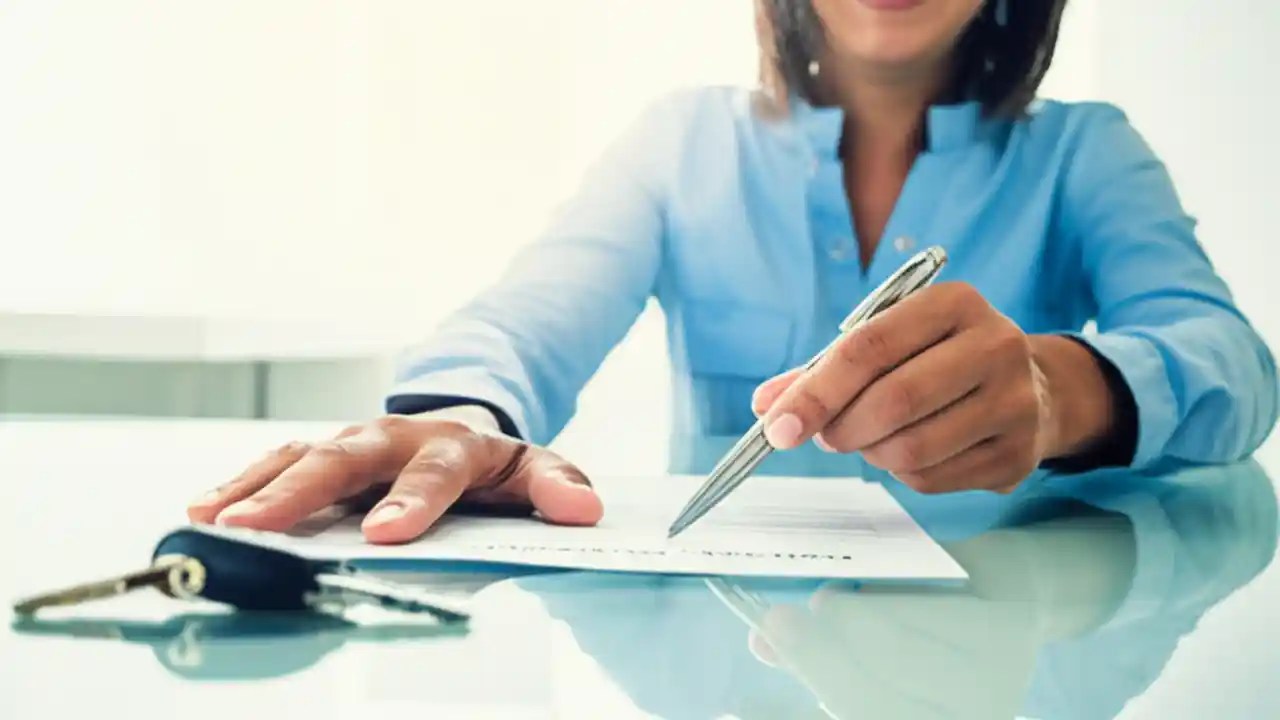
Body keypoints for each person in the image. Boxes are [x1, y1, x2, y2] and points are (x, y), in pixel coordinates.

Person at [188, 0, 1278, 544]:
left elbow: (1231, 363)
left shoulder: (1084, 151)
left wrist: (1058, 394)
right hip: (708, 598)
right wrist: (453, 414)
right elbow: (522, 321)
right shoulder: (679, 143)